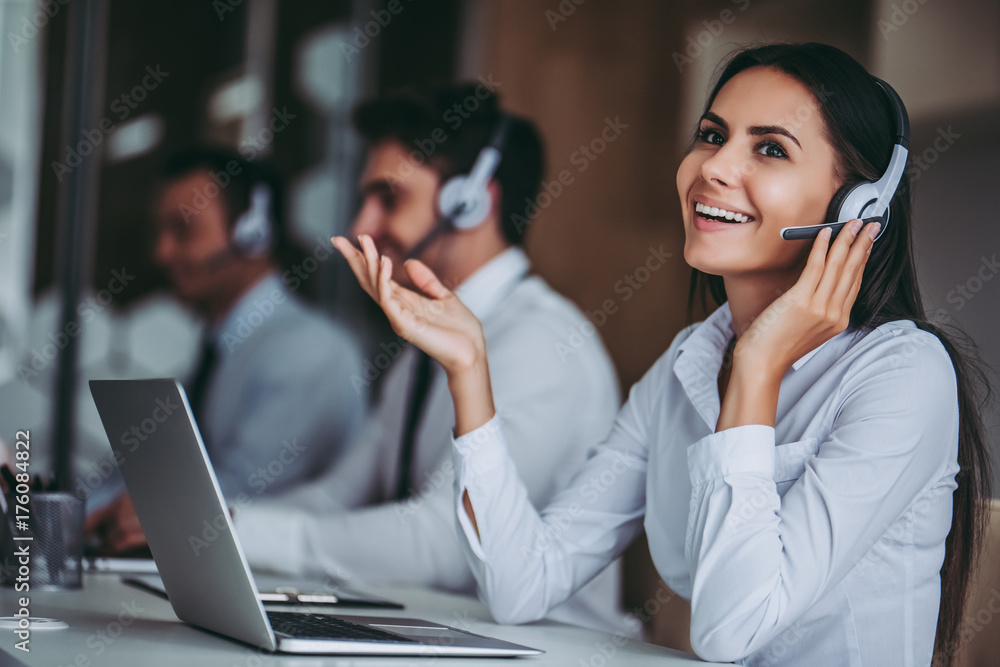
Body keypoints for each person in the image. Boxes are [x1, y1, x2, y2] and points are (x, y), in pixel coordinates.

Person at [333, 44, 994, 666]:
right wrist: (469, 368)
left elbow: (732, 629)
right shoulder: (689, 363)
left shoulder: (903, 375)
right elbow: (522, 583)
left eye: (769, 148)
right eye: (711, 135)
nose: (714, 168)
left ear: (859, 206)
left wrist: (757, 371)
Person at [233, 84, 631, 635]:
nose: (362, 226)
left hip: (550, 653)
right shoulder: (418, 354)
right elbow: (339, 494)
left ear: (470, 202)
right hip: (443, 635)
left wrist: (247, 535)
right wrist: (221, 525)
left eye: (389, 198)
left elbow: (444, 541)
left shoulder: (540, 343)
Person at [87, 148, 366, 555]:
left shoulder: (309, 350)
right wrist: (52, 509)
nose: (162, 253)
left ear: (253, 232)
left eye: (184, 230)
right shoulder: (221, 347)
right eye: (159, 233)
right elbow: (151, 475)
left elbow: (237, 493)